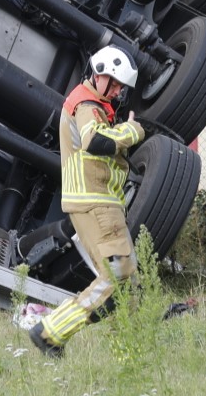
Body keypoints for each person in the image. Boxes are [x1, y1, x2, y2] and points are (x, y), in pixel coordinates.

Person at [29, 46, 147, 357]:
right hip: (96, 204)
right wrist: (131, 132)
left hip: (97, 202)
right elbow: (95, 142)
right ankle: (51, 332)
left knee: (127, 281)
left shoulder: (93, 102)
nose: (120, 91)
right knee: (117, 275)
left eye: (123, 86)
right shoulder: (87, 106)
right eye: (117, 83)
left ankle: (130, 354)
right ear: (100, 74)